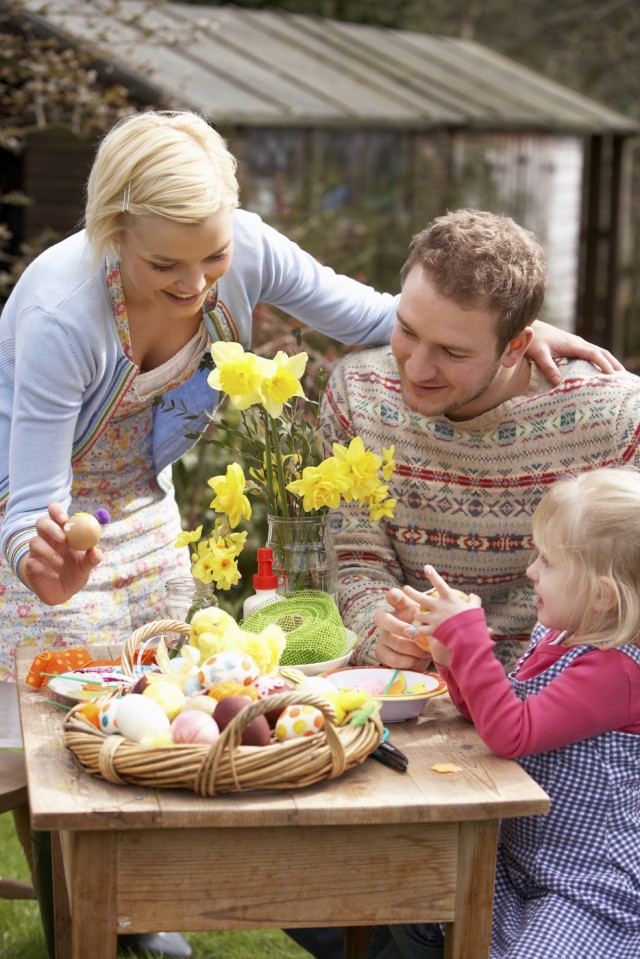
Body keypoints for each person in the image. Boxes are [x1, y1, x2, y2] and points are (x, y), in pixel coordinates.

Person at [0, 114, 620, 959]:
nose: (195, 287)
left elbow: (378, 317)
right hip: (39, 513)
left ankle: (142, 910)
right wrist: (45, 571)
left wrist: (520, 336)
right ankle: (88, 919)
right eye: (163, 264)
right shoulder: (60, 316)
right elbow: (27, 499)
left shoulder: (246, 247)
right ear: (113, 228)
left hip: (139, 509)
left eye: (212, 258)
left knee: (155, 702)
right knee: (65, 728)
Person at [319, 208, 638, 678]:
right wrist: (379, 633)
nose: (417, 369)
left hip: (565, 715)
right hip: (408, 698)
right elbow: (355, 561)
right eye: (407, 330)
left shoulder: (615, 419)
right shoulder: (358, 393)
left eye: (452, 352)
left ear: (516, 345)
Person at [371, 466, 640, 959]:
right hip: (524, 856)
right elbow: (496, 713)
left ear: (603, 595)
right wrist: (451, 657)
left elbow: (512, 733)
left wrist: (471, 636)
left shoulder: (619, 672)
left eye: (549, 562)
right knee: (412, 883)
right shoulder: (558, 636)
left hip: (583, 880)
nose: (531, 571)